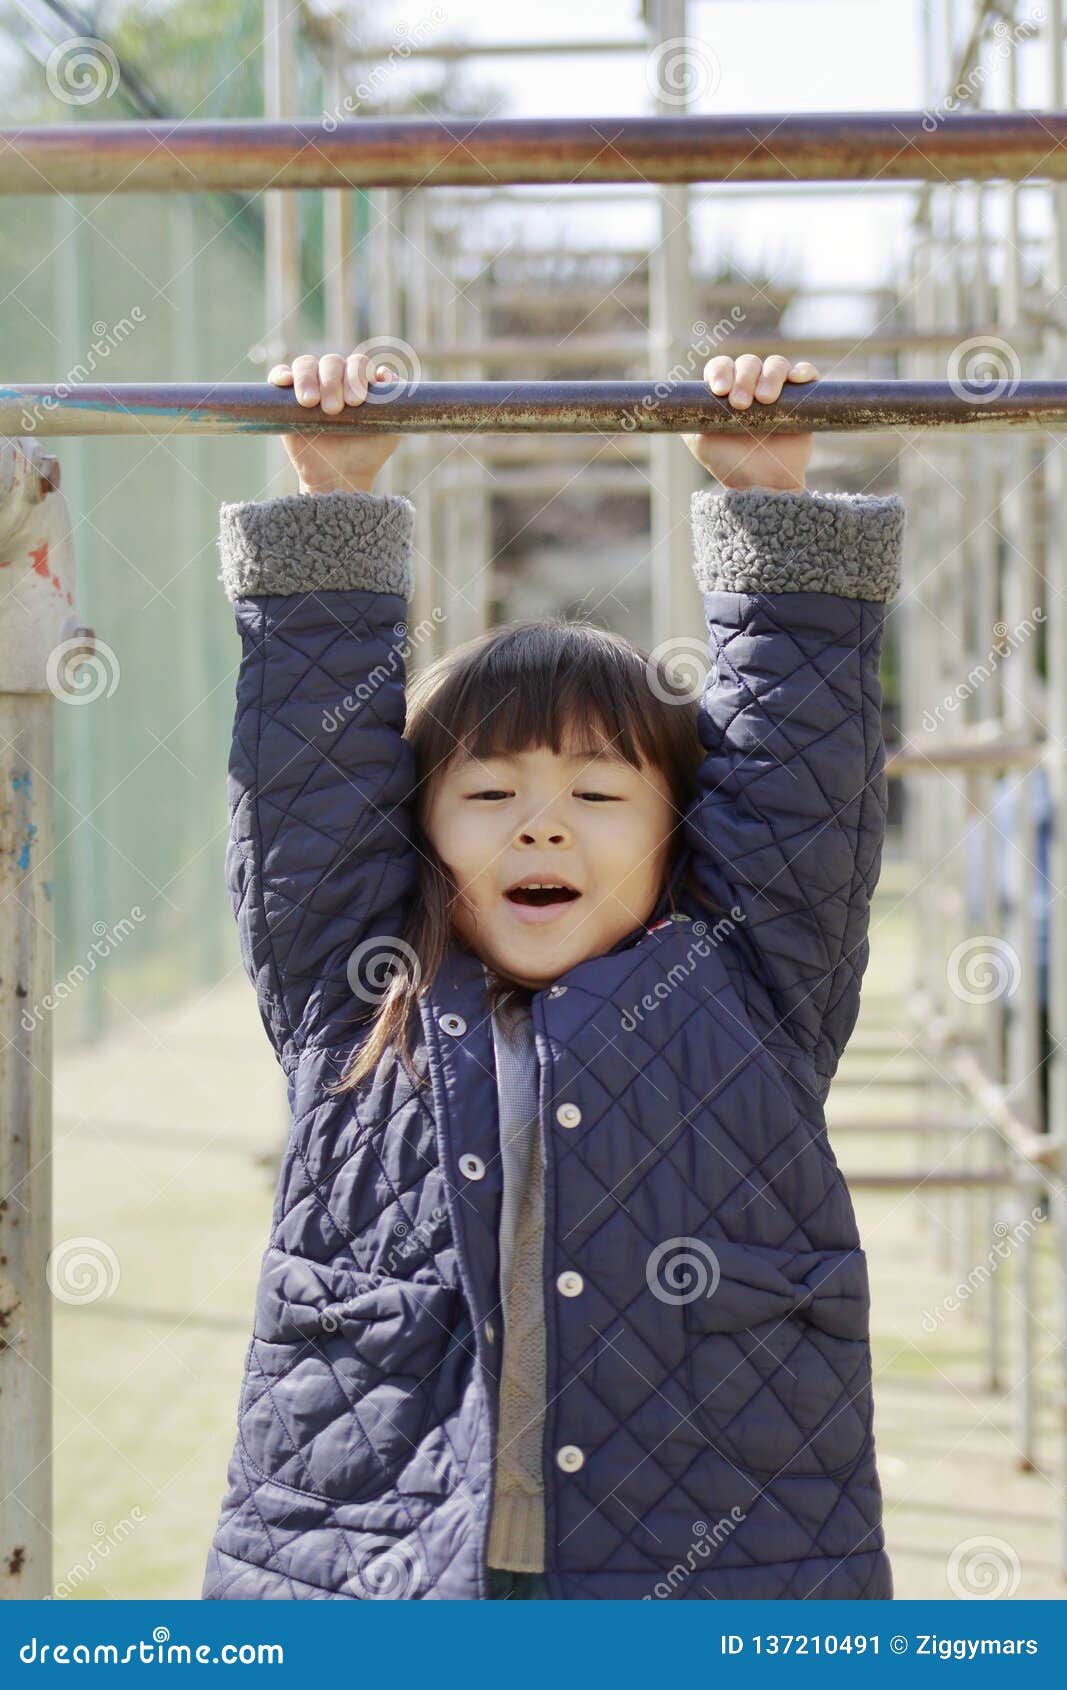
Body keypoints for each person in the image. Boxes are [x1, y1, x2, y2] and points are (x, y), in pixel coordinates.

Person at [201, 348, 904, 1601]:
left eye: (595, 795)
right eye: (487, 795)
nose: (540, 826)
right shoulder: (361, 993)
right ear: (418, 832)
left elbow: (797, 779)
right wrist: (333, 497)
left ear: (676, 834)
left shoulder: (742, 985)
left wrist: (765, 501)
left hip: (694, 1587)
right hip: (386, 1574)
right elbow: (308, 791)